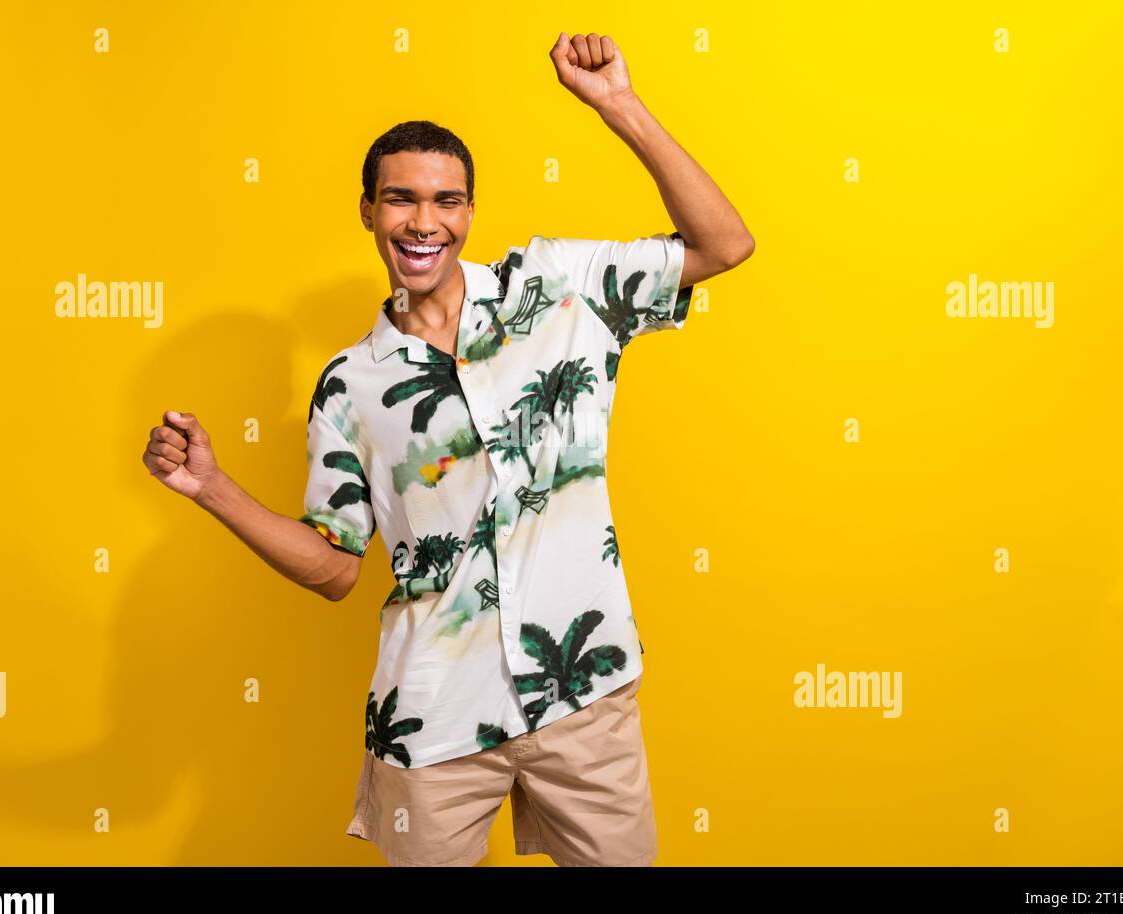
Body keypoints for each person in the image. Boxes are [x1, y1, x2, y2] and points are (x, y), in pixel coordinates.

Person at [143, 31, 754, 866]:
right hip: (433, 716)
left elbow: (725, 245)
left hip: (584, 691)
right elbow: (335, 568)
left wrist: (618, 105)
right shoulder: (349, 385)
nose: (423, 223)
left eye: (446, 201)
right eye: (400, 200)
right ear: (368, 211)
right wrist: (212, 486)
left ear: (469, 211)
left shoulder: (559, 288)